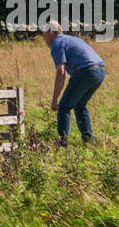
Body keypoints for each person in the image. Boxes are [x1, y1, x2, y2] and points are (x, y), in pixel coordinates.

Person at [41, 19, 106, 147]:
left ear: (51, 32)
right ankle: (89, 141)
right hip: (100, 72)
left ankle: (62, 144)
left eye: (44, 33)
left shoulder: (57, 44)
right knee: (80, 105)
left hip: (85, 72)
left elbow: (61, 71)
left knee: (64, 107)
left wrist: (55, 100)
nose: (43, 37)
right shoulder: (72, 39)